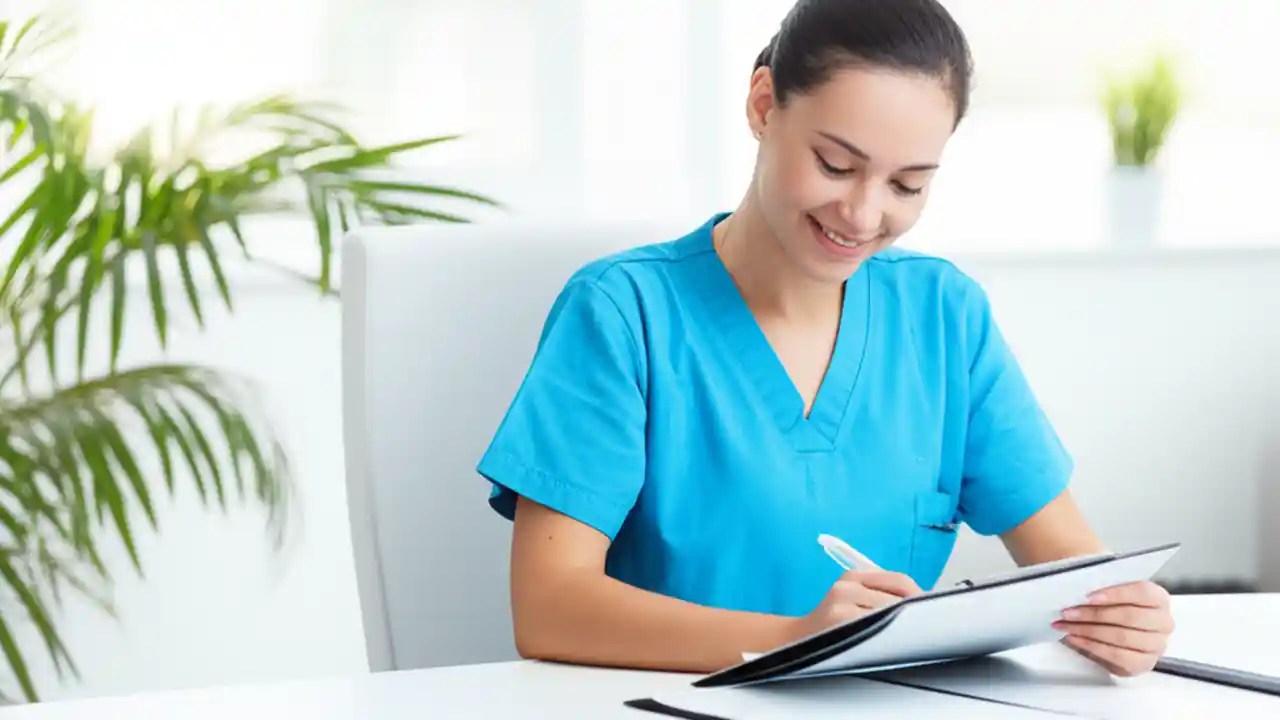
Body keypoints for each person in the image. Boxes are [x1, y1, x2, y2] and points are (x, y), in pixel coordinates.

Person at [476, 0, 1174, 677]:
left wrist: (1120, 617)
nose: (863, 213)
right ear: (762, 105)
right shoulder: (623, 315)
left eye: (907, 185)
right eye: (836, 165)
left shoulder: (942, 314)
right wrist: (797, 640)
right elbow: (549, 609)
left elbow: (1072, 567)